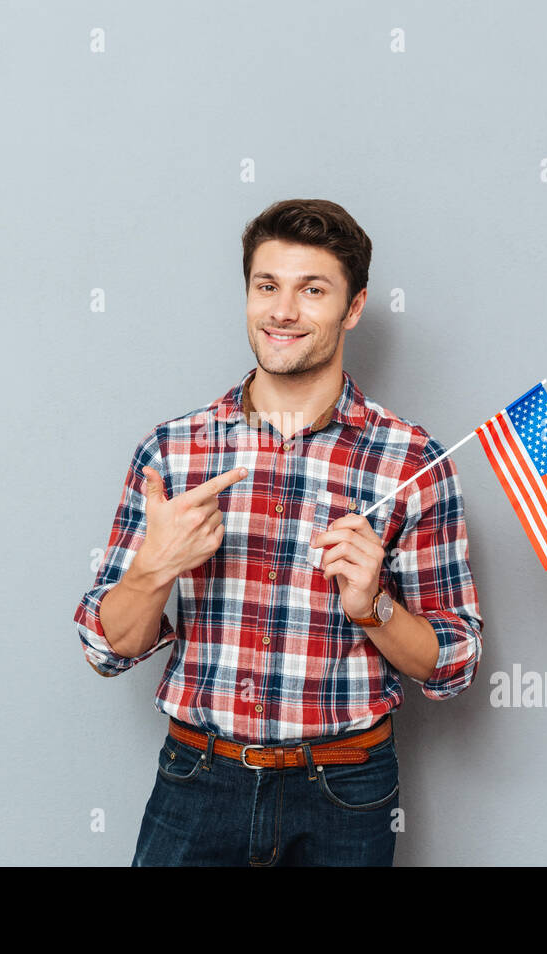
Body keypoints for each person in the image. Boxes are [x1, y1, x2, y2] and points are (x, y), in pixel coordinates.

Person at [73, 198, 483, 866]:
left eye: (311, 290)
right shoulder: (173, 454)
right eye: (267, 287)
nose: (283, 311)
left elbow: (454, 664)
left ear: (353, 308)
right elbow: (104, 648)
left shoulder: (411, 462)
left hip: (346, 787)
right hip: (198, 779)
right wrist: (155, 569)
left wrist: (373, 607)